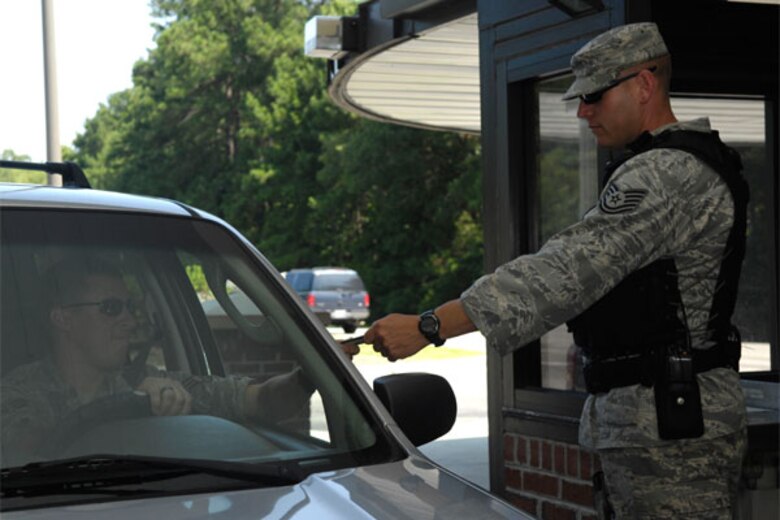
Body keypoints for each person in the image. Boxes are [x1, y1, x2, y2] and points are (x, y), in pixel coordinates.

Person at [365, 23, 748, 519]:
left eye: (594, 95)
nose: (583, 111)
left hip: (672, 440)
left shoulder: (666, 174)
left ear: (644, 85)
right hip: (660, 427)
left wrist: (431, 325)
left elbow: (563, 272)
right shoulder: (664, 165)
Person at [0, 257, 314, 466]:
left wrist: (310, 374)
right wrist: (135, 408)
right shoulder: (18, 393)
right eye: (111, 308)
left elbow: (263, 401)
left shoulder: (151, 383)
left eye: (130, 306)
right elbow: (27, 463)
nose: (129, 320)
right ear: (63, 319)